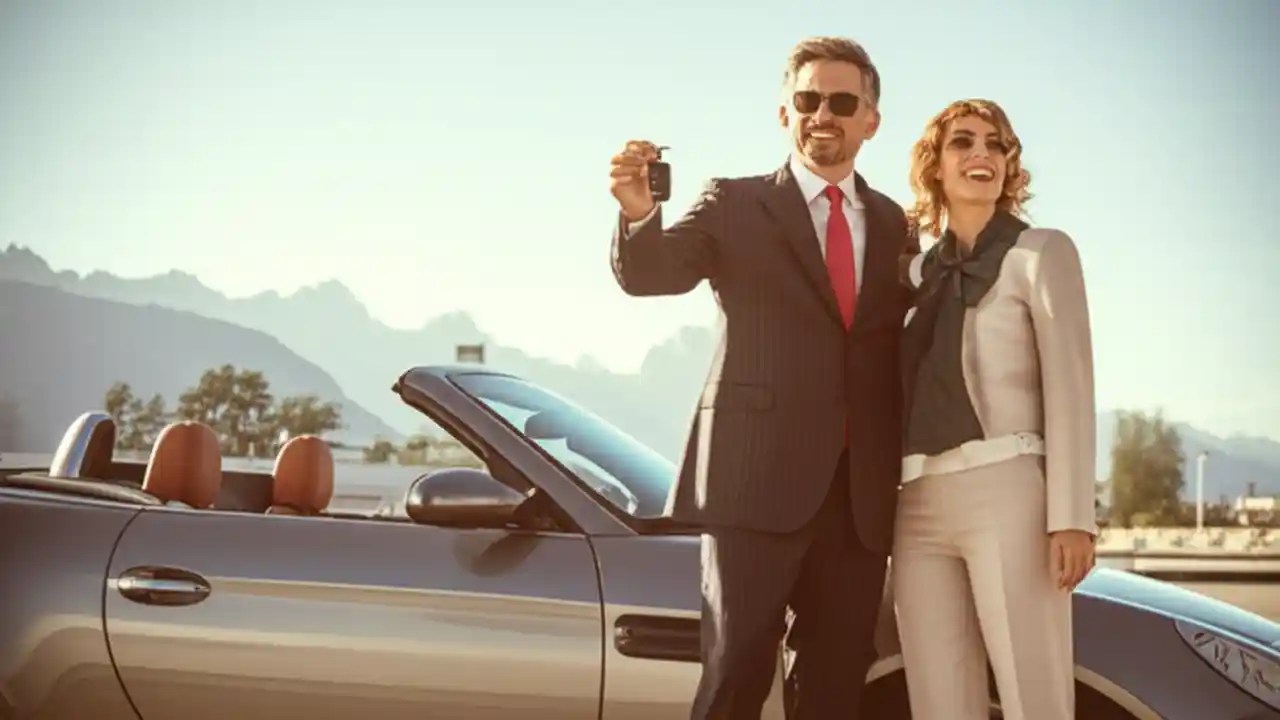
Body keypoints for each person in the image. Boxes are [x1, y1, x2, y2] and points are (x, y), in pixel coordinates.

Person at [607, 36, 919, 720]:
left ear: (871, 118)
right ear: (785, 113)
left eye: (842, 101)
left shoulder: (897, 224)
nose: (822, 115)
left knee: (836, 689)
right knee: (734, 677)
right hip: (753, 490)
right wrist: (638, 215)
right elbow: (654, 273)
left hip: (857, 500)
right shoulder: (733, 204)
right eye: (807, 100)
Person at [892, 98, 1098, 720]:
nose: (981, 154)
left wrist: (1072, 516)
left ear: (1010, 166)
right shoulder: (915, 272)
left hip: (1007, 490)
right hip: (915, 502)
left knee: (1034, 696)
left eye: (995, 144)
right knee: (937, 701)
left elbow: (1073, 386)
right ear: (935, 167)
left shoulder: (1041, 253)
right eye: (963, 142)